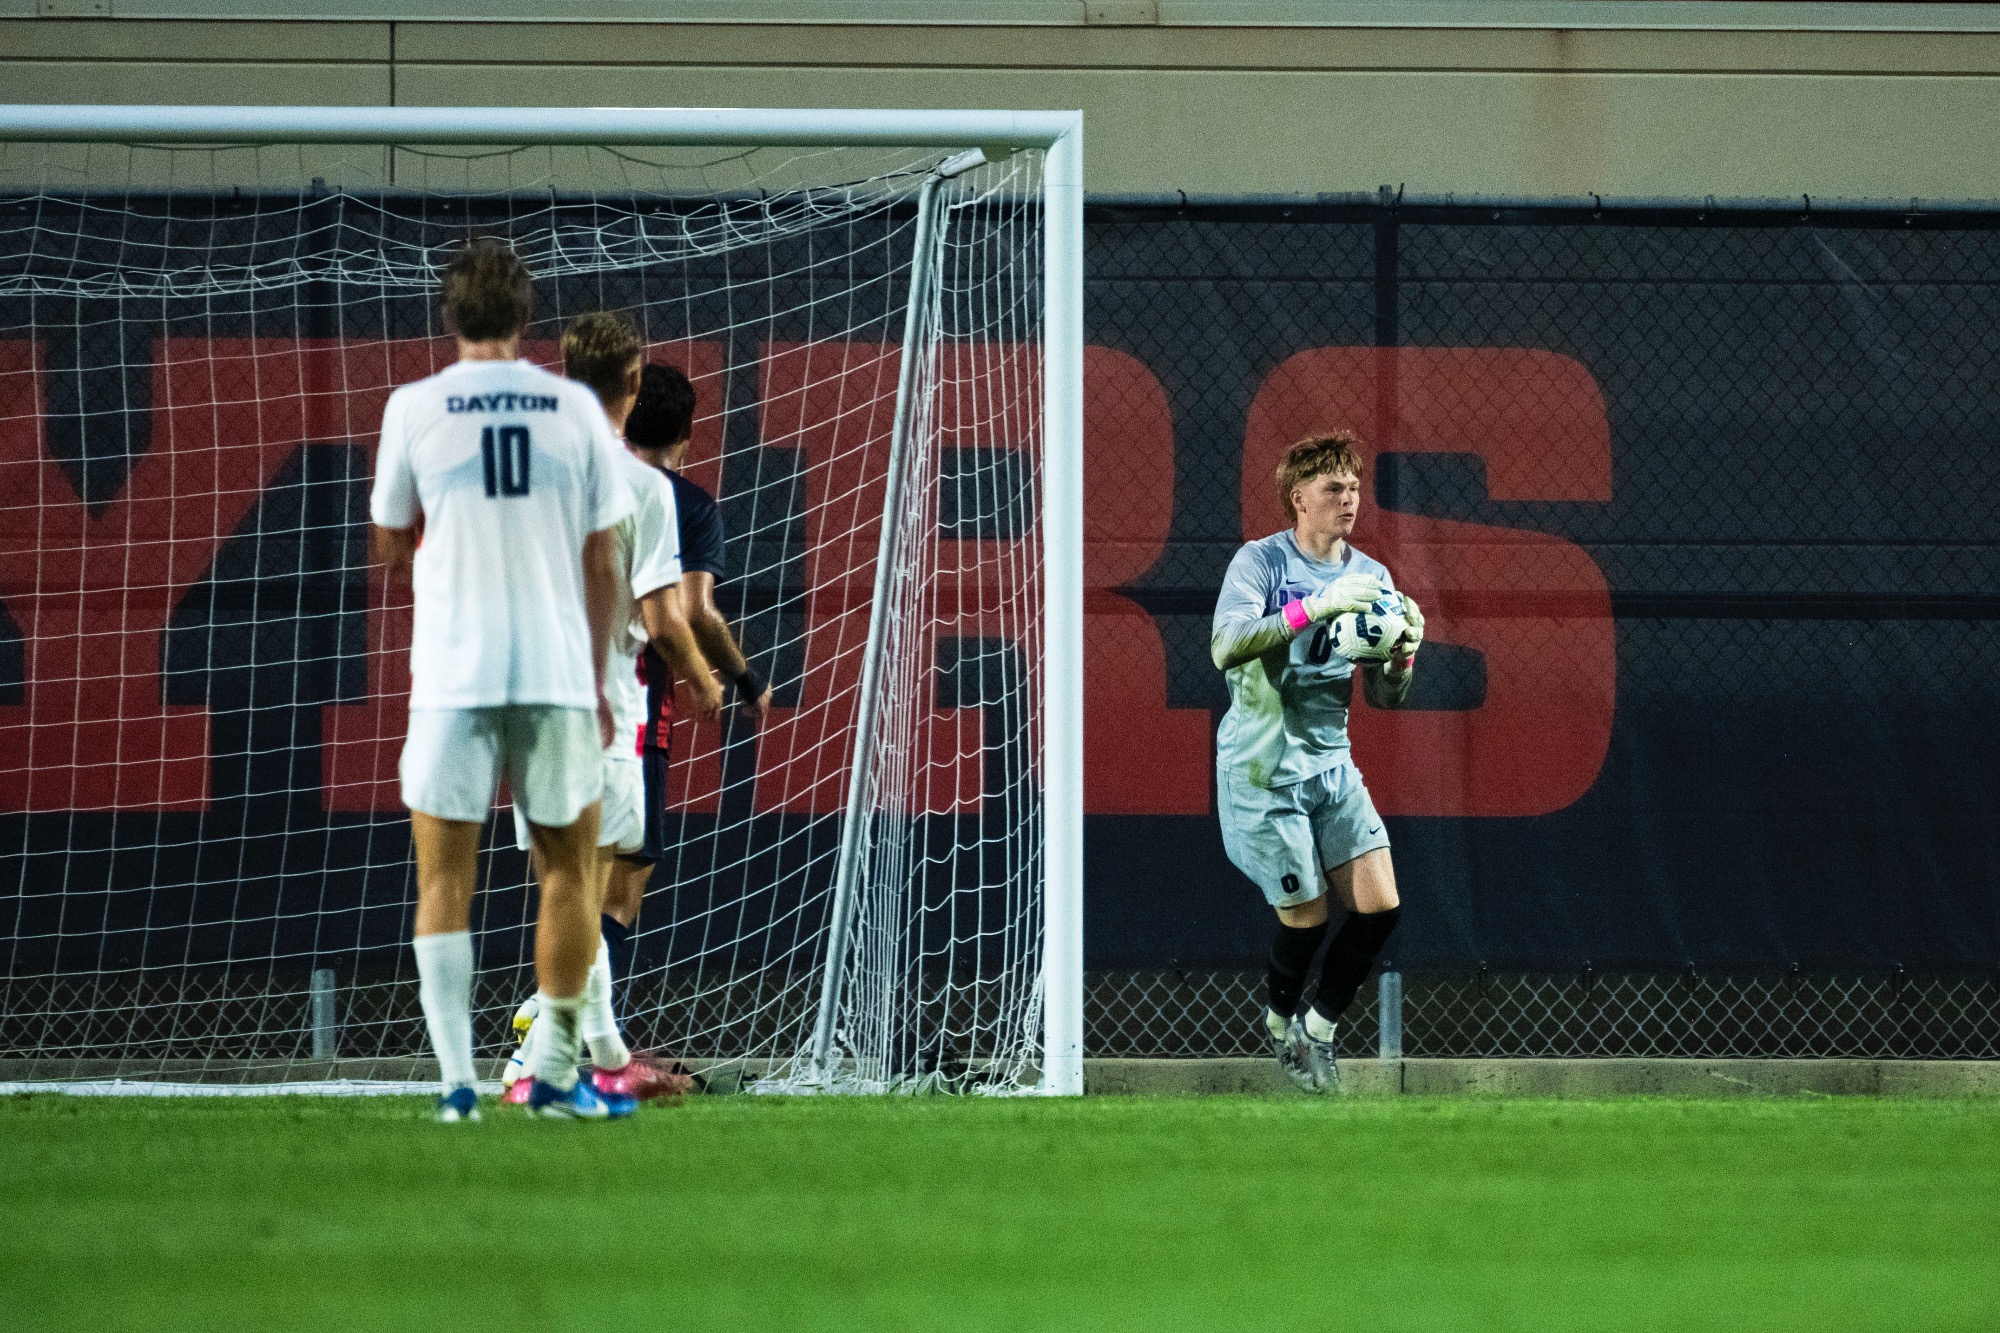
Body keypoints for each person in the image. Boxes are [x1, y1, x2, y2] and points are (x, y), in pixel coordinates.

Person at [370, 237, 638, 1122]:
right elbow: (603, 558)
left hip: (453, 668)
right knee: (568, 867)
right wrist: (601, 675)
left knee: (444, 877)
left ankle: (456, 1086)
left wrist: (446, 566)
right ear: (528, 320)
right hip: (557, 668)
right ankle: (557, 1073)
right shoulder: (572, 411)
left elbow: (387, 544)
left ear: (448, 319)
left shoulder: (412, 407)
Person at [498, 313, 722, 1106]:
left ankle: (576, 1056)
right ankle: (551, 1061)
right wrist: (701, 678)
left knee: (563, 881)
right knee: (588, 884)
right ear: (632, 383)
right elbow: (665, 618)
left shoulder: (526, 466)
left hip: (529, 696)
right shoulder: (643, 489)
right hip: (607, 703)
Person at [1210, 432, 1425, 1093]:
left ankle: (1318, 1031)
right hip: (1263, 770)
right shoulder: (1260, 563)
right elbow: (1225, 647)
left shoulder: (1373, 578)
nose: (1349, 499)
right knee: (1307, 916)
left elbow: (1386, 698)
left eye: (1355, 487)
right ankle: (1280, 1024)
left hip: (1331, 766)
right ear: (1298, 497)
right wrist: (1313, 608)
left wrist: (1401, 657)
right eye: (1334, 488)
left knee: (1381, 906)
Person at [595, 363, 772, 1000]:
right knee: (629, 861)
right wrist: (737, 679)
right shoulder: (680, 501)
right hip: (631, 700)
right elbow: (691, 611)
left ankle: (573, 1030)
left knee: (572, 863)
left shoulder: (583, 483)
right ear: (689, 434)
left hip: (558, 694)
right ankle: (561, 1026)